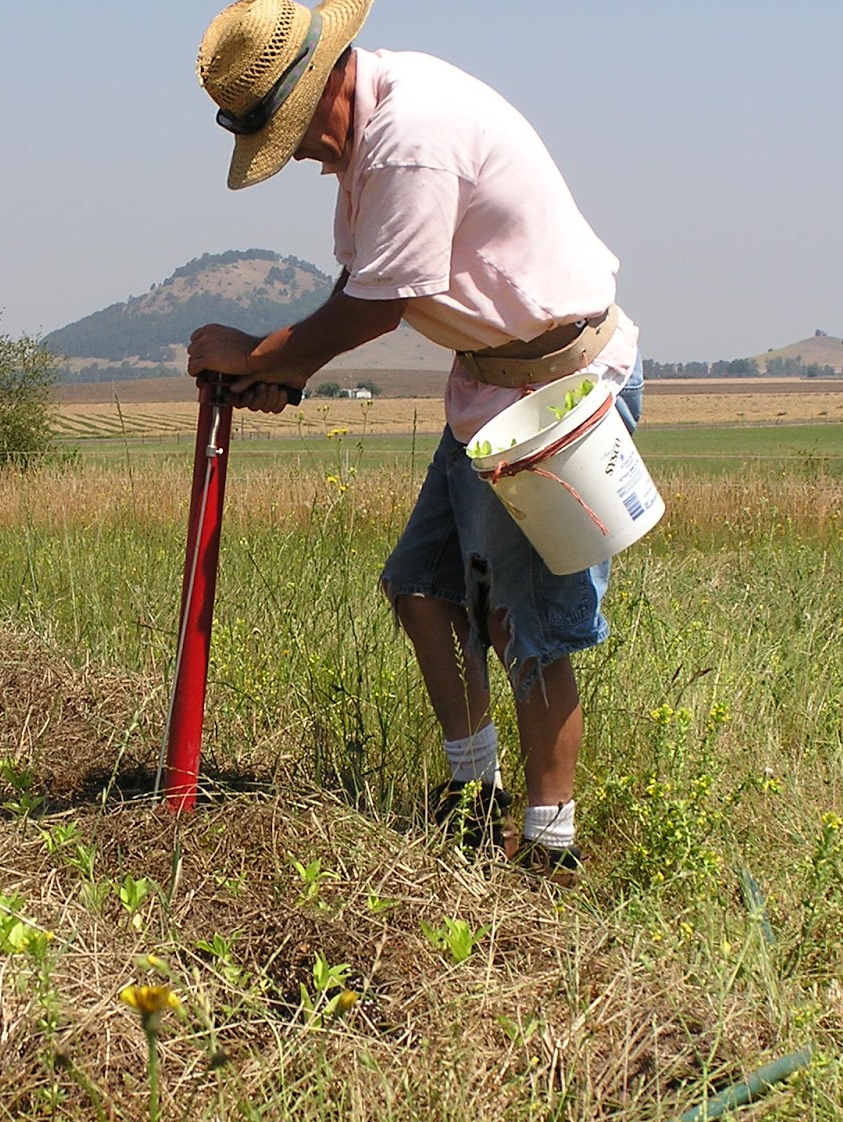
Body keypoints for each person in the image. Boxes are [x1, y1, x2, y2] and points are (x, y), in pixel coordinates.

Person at [186, 0, 645, 884]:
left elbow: (376, 306)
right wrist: (284, 372)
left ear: (325, 81)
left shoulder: (408, 135)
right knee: (422, 584)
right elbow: (368, 284)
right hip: (491, 384)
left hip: (556, 392)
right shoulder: (370, 140)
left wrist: (262, 353)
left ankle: (550, 849)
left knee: (531, 626)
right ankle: (474, 797)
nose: (302, 159)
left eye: (292, 134)